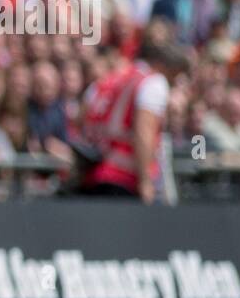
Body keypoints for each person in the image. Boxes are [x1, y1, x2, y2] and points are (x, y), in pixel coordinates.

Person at [78, 39, 189, 202]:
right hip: (125, 179)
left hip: (93, 174)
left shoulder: (107, 80)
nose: (174, 82)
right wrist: (146, 181)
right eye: (175, 75)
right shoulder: (154, 82)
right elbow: (144, 131)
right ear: (164, 67)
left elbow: (81, 119)